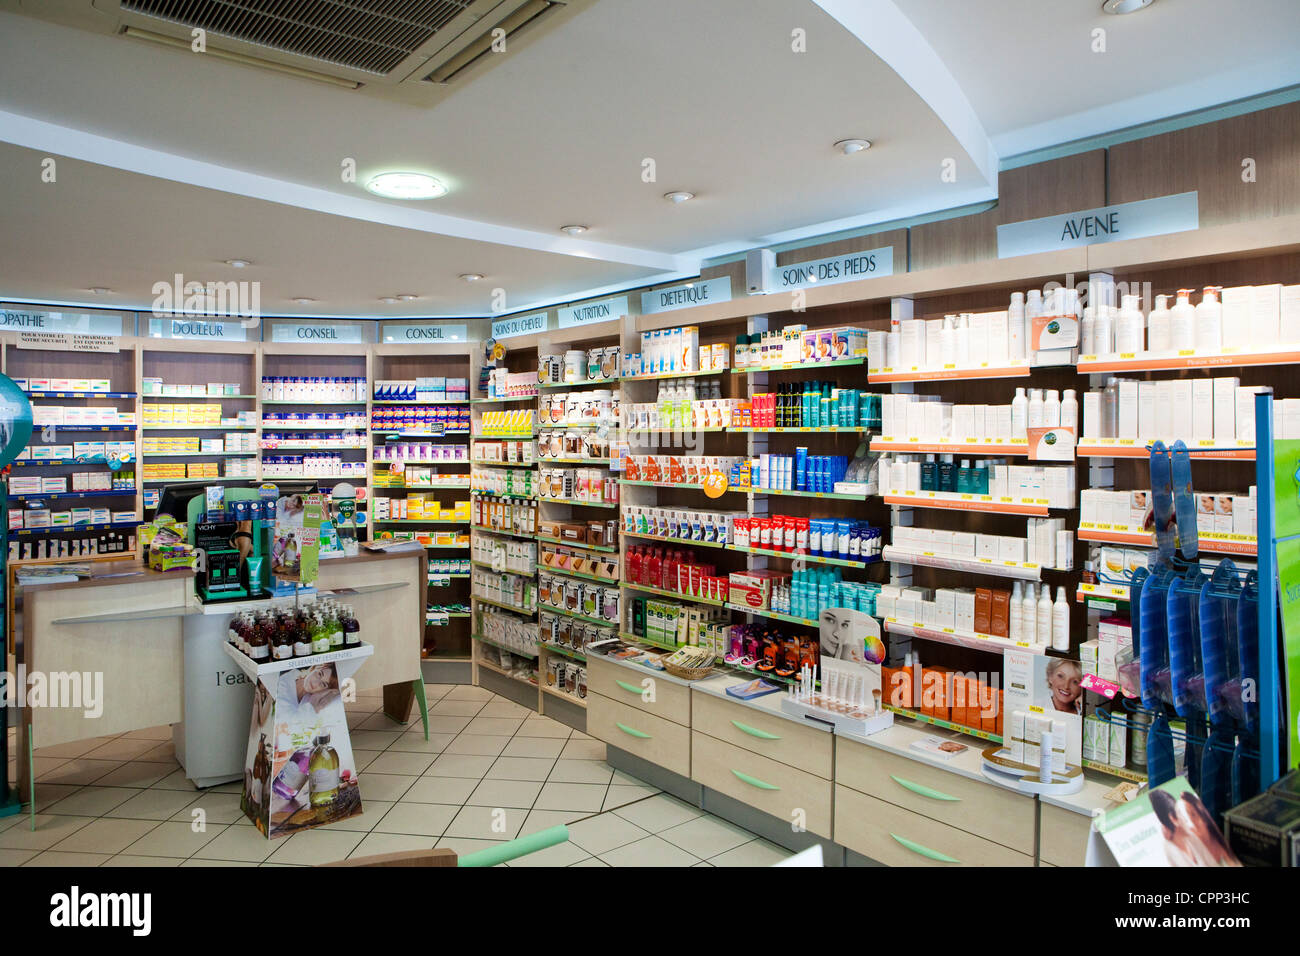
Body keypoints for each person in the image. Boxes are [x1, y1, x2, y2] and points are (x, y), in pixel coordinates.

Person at [1176, 791, 1240, 866]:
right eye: (1185, 819)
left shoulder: (1219, 842)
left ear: (1203, 816)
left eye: (1193, 815)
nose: (1191, 824)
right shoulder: (1190, 852)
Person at [1149, 788, 1198, 866]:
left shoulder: (1193, 840)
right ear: (1173, 819)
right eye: (1180, 813)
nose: (1185, 819)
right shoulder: (1171, 851)